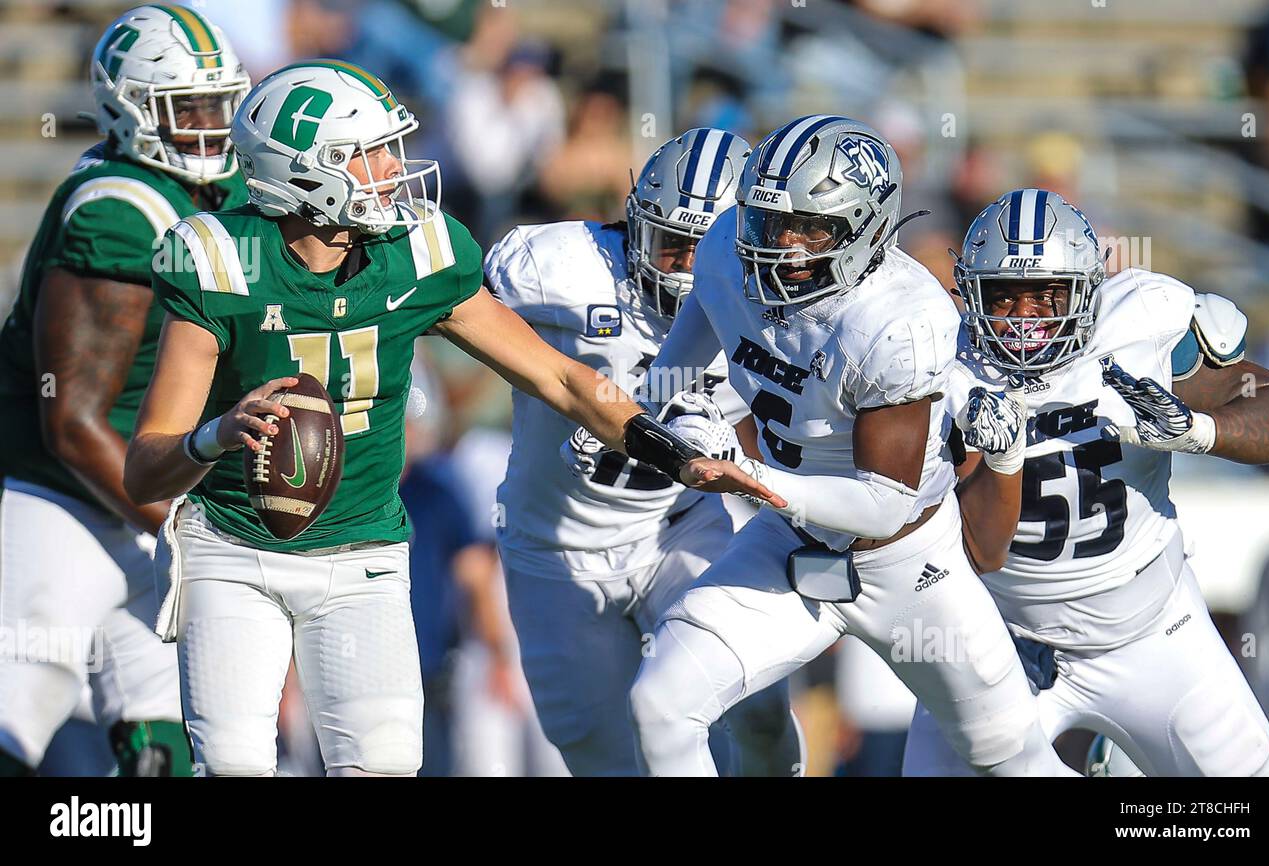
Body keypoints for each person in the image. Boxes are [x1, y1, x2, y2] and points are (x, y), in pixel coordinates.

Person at [122, 60, 776, 776]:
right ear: (302, 174)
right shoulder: (221, 258)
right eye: (365, 154)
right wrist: (218, 433)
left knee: (384, 765)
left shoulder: (420, 252)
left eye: (389, 148)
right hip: (234, 549)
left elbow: (560, 376)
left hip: (361, 550)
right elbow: (147, 468)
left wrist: (674, 454)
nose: (392, 169)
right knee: (237, 767)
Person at [626, 115, 1071, 776]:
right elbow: (687, 349)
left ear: (864, 229)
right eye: (771, 222)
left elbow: (882, 505)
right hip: (789, 540)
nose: (783, 245)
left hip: (907, 559)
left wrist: (749, 474)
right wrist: (656, 414)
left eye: (812, 227)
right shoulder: (727, 246)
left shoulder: (900, 319)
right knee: (661, 705)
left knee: (1011, 759)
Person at [903, 188, 1269, 776]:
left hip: (1154, 631)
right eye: (1006, 296)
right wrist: (991, 455)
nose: (1028, 318)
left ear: (1089, 290)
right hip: (999, 641)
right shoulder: (938, 364)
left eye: (1047, 293)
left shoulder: (1138, 329)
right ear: (970, 295)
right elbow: (978, 546)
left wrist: (1194, 430)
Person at [487, 128, 801, 775]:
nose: (684, 269)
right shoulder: (556, 267)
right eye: (672, 244)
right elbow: (450, 301)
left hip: (676, 531)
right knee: (607, 761)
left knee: (758, 702)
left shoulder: (777, 305)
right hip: (556, 551)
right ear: (634, 222)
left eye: (705, 248)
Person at [0, 4, 249, 777]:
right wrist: (191, 528)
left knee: (166, 755)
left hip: (152, 501)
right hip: (59, 501)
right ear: (129, 107)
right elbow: (72, 422)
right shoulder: (121, 209)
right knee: (13, 725)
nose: (211, 128)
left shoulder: (213, 192)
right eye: (190, 109)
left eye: (220, 105)